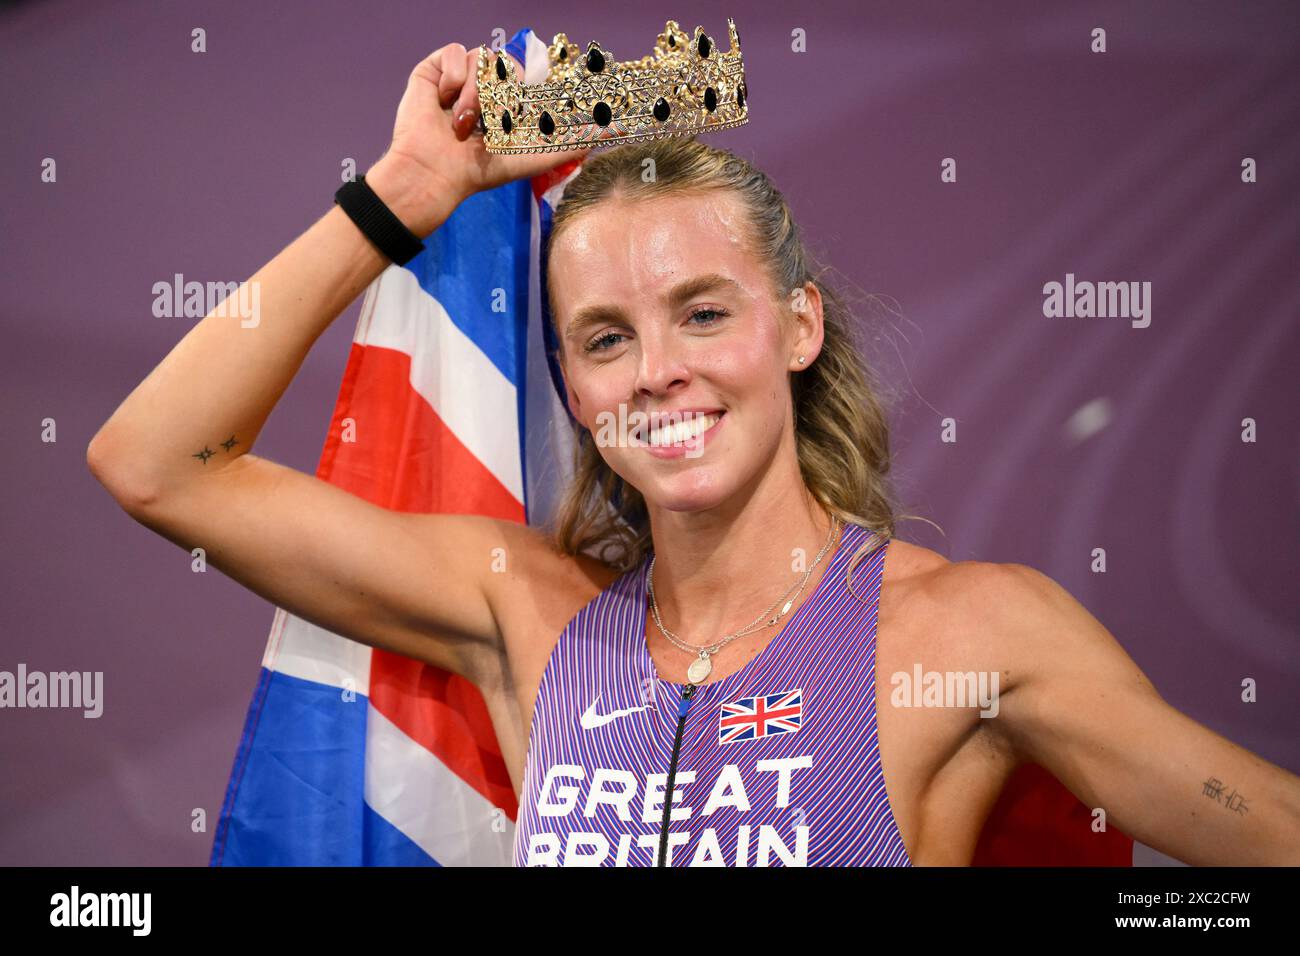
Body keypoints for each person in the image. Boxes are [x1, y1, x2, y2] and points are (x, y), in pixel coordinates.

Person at [86, 42, 1300, 867]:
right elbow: (156, 462)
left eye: (704, 311)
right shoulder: (523, 613)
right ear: (571, 380)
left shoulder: (969, 634)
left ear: (800, 326)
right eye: (605, 336)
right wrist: (402, 194)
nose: (657, 368)